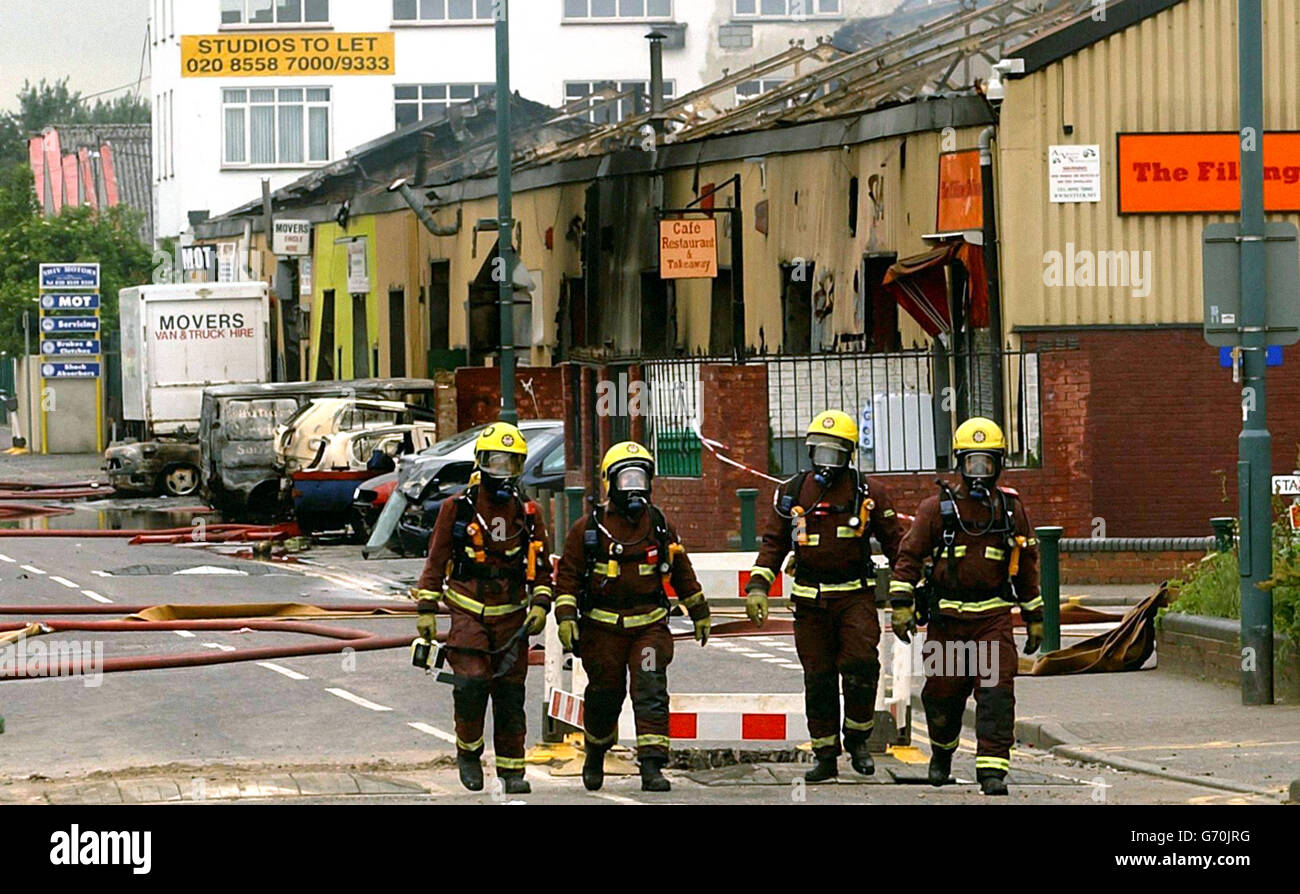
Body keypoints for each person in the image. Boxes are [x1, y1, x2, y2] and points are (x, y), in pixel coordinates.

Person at [744, 410, 903, 782]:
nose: (826, 462)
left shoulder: (868, 493)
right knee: (819, 679)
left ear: (848, 455)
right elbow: (774, 544)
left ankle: (859, 741)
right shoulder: (793, 493)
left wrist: (909, 592)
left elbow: (898, 545)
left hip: (855, 597)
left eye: (835, 454)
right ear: (810, 452)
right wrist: (757, 587)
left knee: (862, 667)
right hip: (810, 603)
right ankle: (825, 754)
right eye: (820, 452)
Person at [889, 416, 1043, 796]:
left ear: (998, 466)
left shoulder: (1010, 511)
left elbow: (1026, 566)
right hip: (947, 622)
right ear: (960, 464)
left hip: (991, 620)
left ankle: (992, 771)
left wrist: (1034, 616)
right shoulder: (935, 511)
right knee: (942, 696)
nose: (979, 472)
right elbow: (908, 557)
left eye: (986, 464)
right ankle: (941, 753)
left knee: (995, 694)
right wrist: (901, 604)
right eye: (972, 463)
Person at [553, 441, 711, 793]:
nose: (634, 488)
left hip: (648, 627)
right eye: (627, 480)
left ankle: (652, 766)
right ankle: (596, 751)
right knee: (604, 694)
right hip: (602, 629)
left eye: (640, 478)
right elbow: (567, 577)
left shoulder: (658, 525)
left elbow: (681, 568)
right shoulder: (588, 530)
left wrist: (699, 610)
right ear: (610, 483)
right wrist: (566, 617)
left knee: (650, 686)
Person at [413, 422, 553, 794]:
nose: (502, 471)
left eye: (510, 464)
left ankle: (511, 771)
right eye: (496, 462)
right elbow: (435, 560)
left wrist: (541, 603)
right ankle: (469, 753)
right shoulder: (456, 509)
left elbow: (542, 570)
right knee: (472, 683)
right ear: (481, 462)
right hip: (468, 612)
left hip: (512, 617)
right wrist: (426, 609)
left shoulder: (528, 514)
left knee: (510, 694)